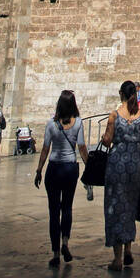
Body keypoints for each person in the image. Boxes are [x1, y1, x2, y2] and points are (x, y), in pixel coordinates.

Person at [102, 79, 140, 271]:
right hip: (134, 164)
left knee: (115, 206)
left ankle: (117, 258)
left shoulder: (114, 115)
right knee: (131, 206)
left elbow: (107, 141)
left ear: (121, 94)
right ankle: (129, 248)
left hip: (116, 164)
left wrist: (105, 139)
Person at [35, 90, 89, 268]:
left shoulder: (51, 124)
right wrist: (89, 169)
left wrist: (39, 170)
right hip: (70, 168)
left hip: (54, 168)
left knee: (53, 211)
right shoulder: (78, 123)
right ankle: (65, 242)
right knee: (67, 208)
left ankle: (56, 253)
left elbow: (45, 149)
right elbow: (82, 148)